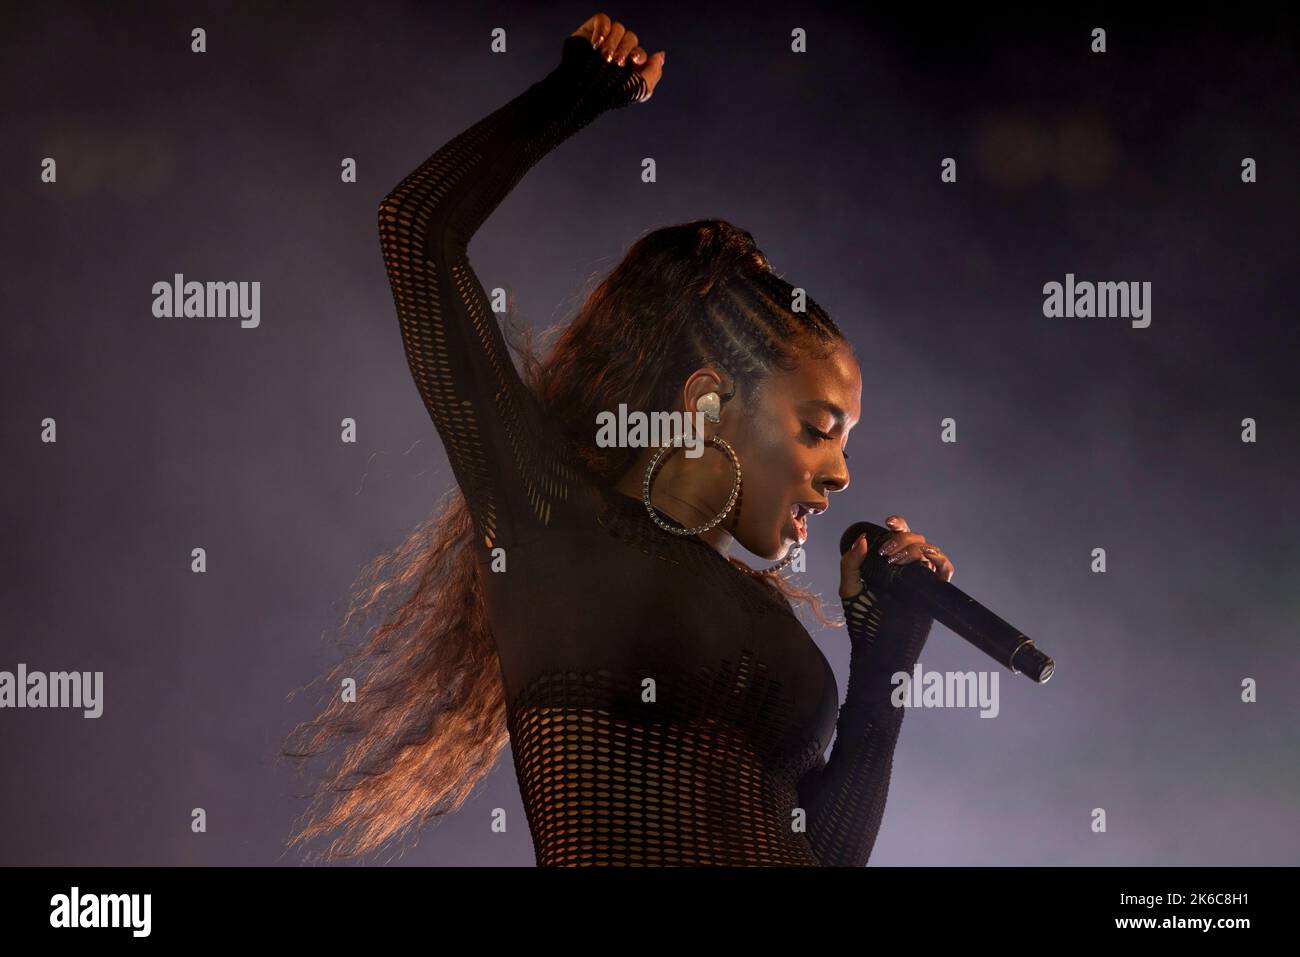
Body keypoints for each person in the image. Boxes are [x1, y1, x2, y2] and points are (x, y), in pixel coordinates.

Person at [283, 13, 955, 867]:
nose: (841, 472)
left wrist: (883, 663)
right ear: (712, 402)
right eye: (819, 430)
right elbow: (415, 231)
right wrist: (573, 95)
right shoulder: (552, 523)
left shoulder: (773, 625)